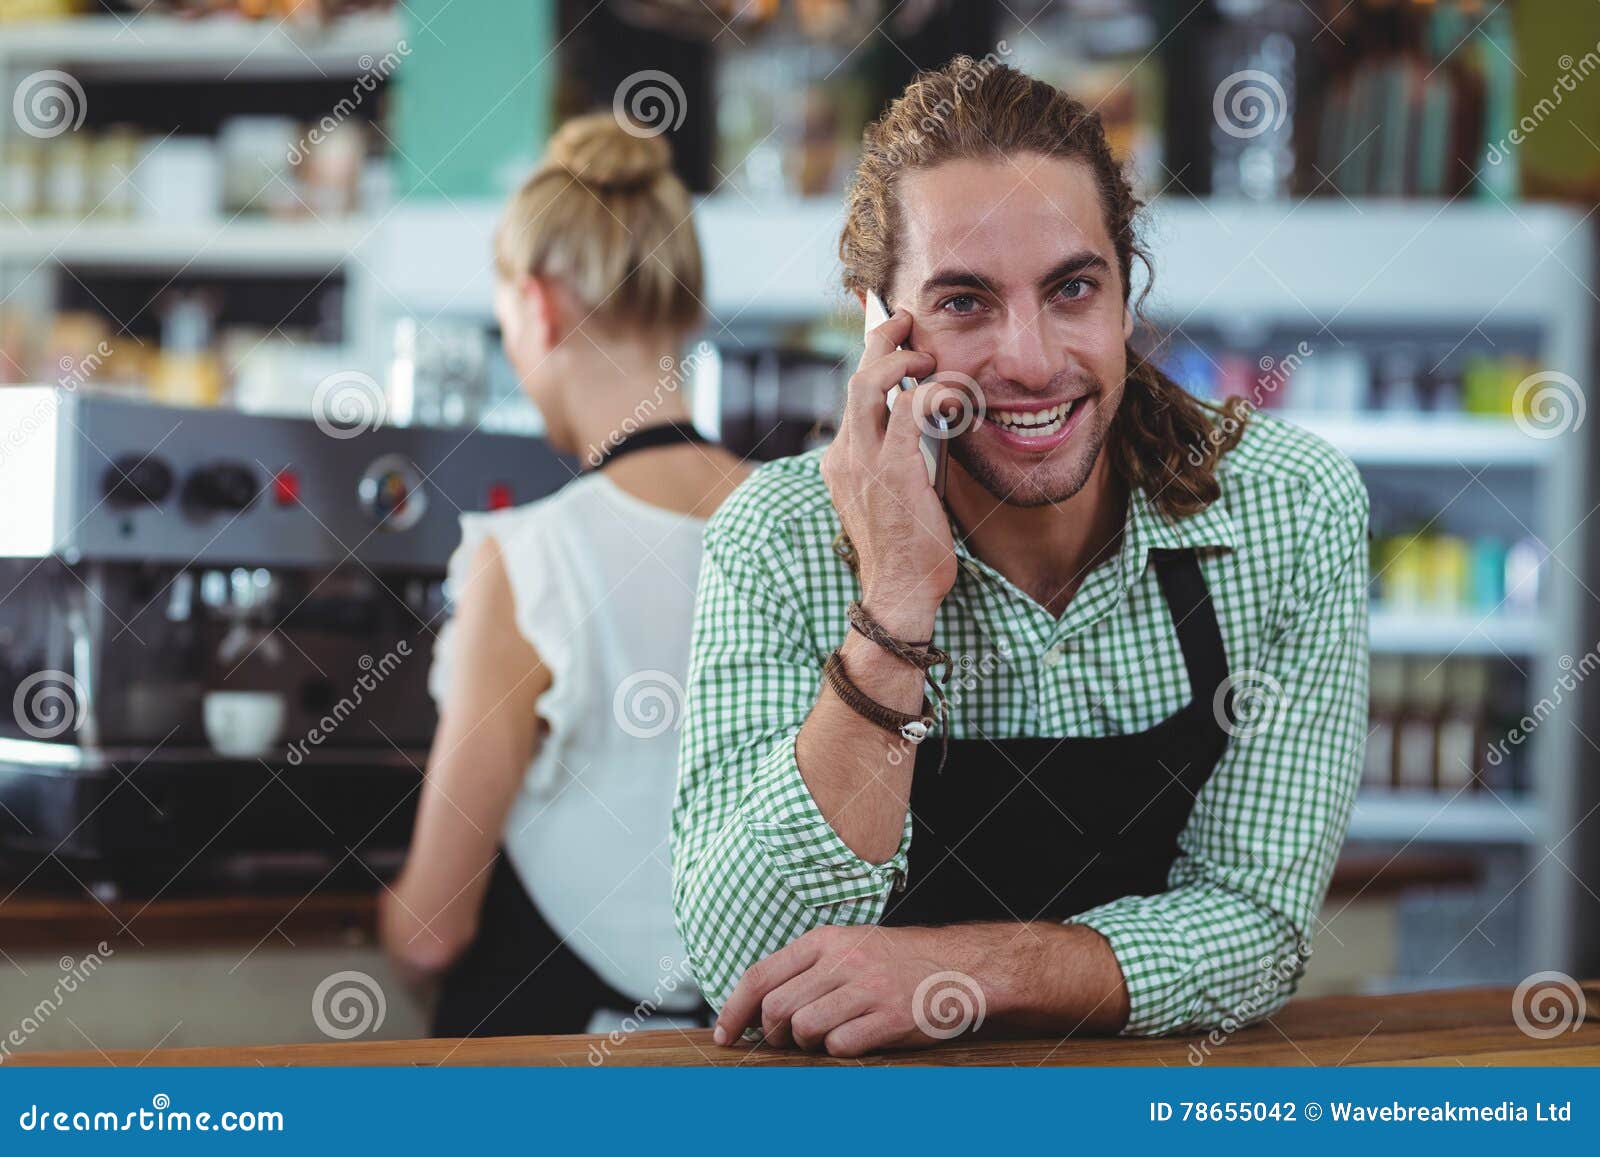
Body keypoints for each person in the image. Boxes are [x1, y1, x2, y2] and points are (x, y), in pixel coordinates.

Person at [672, 58, 1369, 1057]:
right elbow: (750, 962)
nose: (1033, 359)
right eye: (964, 302)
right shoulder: (775, 537)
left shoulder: (1291, 512)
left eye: (1072, 288)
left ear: (1126, 296)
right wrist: (895, 606)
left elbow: (1255, 922)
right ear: (882, 326)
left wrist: (966, 971)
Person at [379, 112, 750, 1036]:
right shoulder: (811, 517)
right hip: (781, 1060)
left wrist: (372, 923)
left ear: (536, 305)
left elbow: (432, 929)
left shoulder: (532, 556)